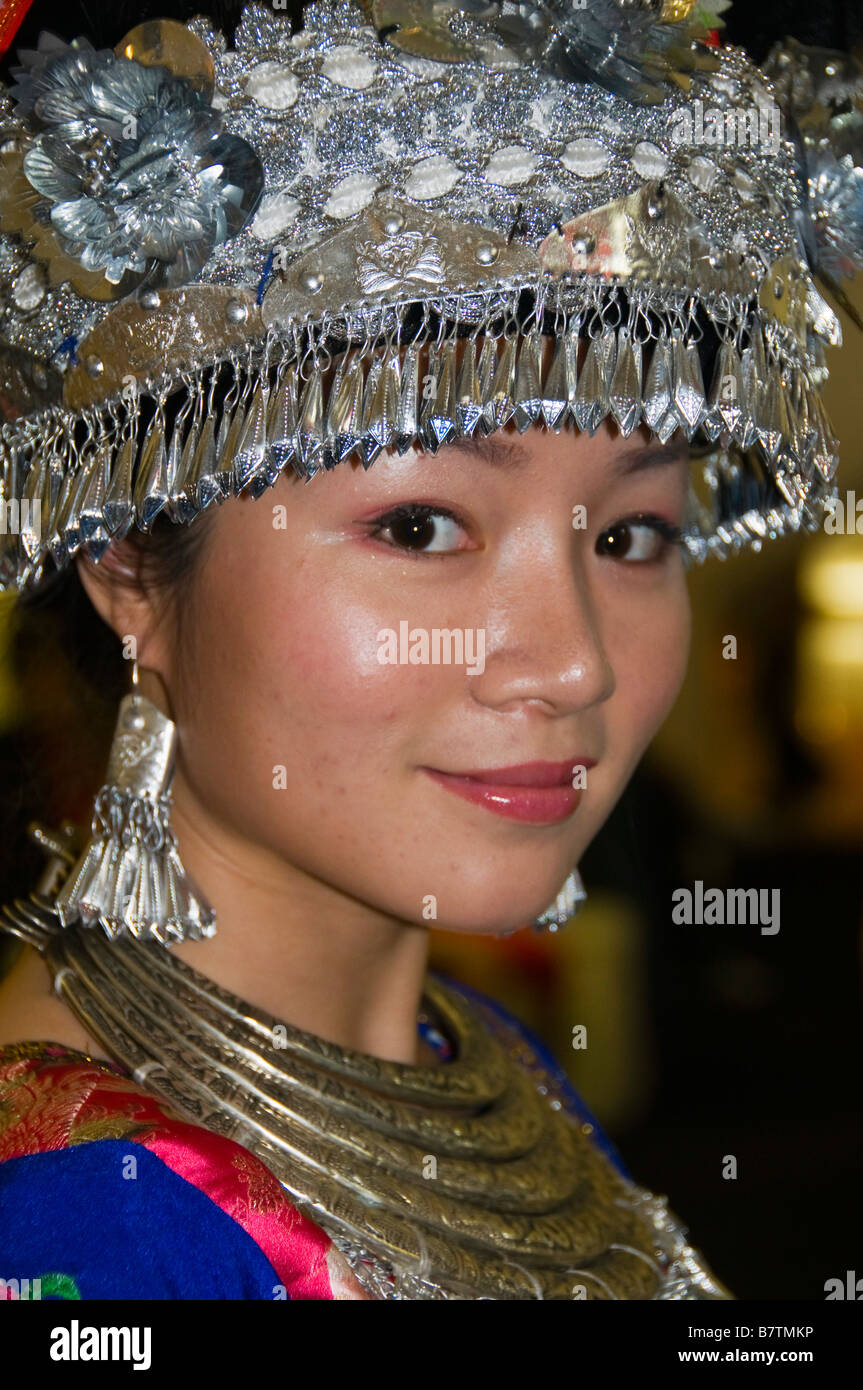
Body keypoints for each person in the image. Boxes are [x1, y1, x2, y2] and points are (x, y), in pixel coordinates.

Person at [0, 0, 858, 1300]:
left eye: (631, 535)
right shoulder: (88, 1230)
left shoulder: (473, 1064)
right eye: (420, 522)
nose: (572, 665)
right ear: (128, 563)